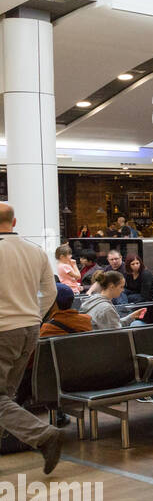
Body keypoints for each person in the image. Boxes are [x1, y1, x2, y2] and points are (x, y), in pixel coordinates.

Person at [0, 203, 62, 473]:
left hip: (3, 330)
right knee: (5, 396)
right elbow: (50, 293)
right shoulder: (35, 252)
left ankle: (43, 435)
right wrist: (34, 316)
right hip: (29, 328)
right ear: (14, 223)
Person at [80, 271, 147, 329]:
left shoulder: (92, 300)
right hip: (105, 341)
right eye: (121, 287)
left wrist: (131, 317)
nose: (123, 290)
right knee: (137, 324)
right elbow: (117, 334)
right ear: (111, 286)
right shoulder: (106, 308)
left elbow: (113, 324)